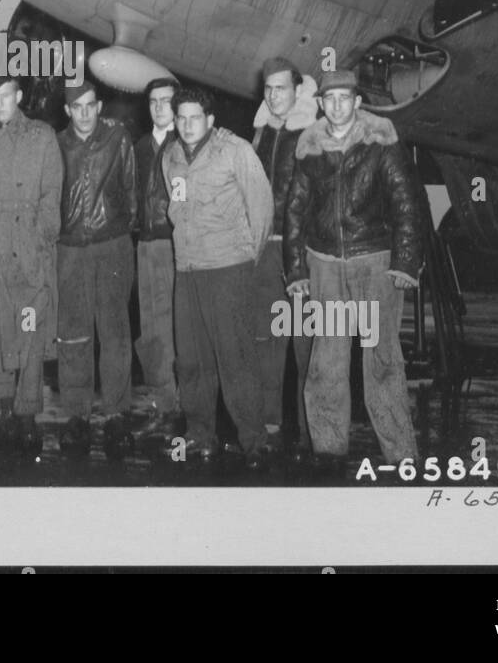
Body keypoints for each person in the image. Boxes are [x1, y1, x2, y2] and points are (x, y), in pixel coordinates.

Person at [284, 69, 424, 472]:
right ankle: (328, 452)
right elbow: (294, 213)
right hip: (324, 266)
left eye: (345, 98)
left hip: (374, 263)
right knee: (326, 361)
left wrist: (405, 263)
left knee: (383, 359)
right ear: (321, 104)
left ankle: (401, 456)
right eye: (330, 100)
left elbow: (406, 204)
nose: (338, 106)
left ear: (358, 102)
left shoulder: (381, 144)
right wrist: (296, 271)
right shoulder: (308, 149)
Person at [162, 86, 275, 465]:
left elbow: (262, 207)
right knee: (192, 360)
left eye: (195, 118)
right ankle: (200, 436)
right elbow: (176, 208)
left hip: (228, 268)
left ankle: (254, 440)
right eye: (181, 118)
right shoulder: (172, 156)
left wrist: (244, 256)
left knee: (236, 359)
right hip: (188, 269)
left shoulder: (235, 151)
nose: (188, 125)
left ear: (210, 120)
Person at [0, 75, 63, 456]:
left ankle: (26, 416)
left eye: (6, 95)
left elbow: (52, 193)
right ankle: (5, 412)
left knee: (28, 329)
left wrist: (42, 238)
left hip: (27, 246)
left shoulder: (41, 135)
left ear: (19, 96)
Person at [55, 81, 137, 459]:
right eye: (77, 107)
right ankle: (77, 416)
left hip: (111, 245)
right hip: (70, 249)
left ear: (99, 106)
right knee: (73, 334)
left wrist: (118, 235)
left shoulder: (118, 139)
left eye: (90, 106)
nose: (84, 113)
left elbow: (131, 194)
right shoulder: (57, 145)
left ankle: (118, 413)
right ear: (68, 110)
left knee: (115, 331)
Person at [251, 59, 319, 460]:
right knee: (266, 338)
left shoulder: (312, 132)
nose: (274, 96)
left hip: (300, 250)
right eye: (269, 89)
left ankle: (311, 432)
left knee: (305, 341)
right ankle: (269, 424)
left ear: (297, 90)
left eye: (281, 88)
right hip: (264, 247)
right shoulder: (261, 132)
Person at [134, 76, 181, 434]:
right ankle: (161, 402)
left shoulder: (186, 143)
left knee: (175, 325)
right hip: (145, 244)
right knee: (150, 327)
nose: (159, 107)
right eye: (153, 101)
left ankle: (182, 404)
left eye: (165, 100)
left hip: (175, 244)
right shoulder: (139, 147)